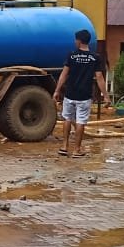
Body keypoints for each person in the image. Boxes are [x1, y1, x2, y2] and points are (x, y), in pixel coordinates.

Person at [54, 28, 105, 158]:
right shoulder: (95, 58)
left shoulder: (71, 55)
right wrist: (106, 96)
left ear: (79, 41)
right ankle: (77, 150)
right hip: (85, 95)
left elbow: (64, 74)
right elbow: (99, 77)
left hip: (70, 93)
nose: (75, 42)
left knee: (67, 118)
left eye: (76, 40)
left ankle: (64, 147)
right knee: (81, 121)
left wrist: (57, 90)